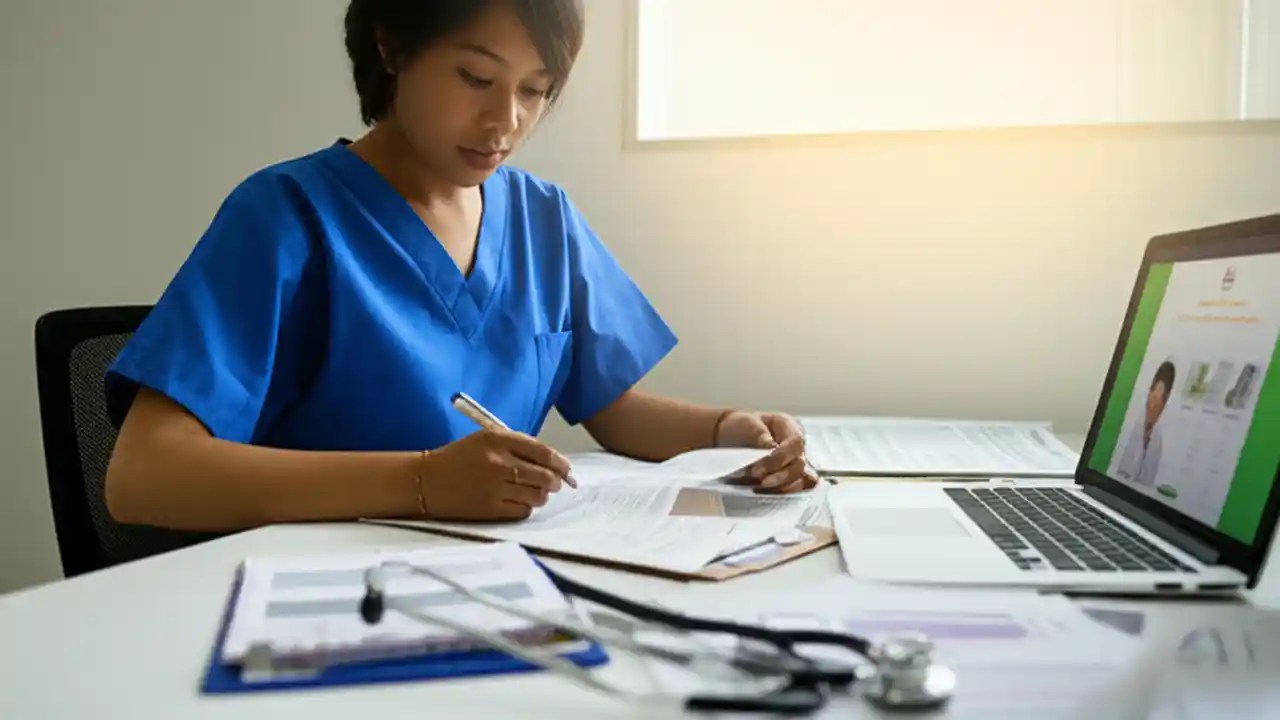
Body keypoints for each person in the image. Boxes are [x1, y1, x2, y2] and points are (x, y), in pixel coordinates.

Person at [102, 0, 818, 532]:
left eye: (534, 91)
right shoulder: (284, 215)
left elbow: (614, 411)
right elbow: (144, 476)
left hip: (505, 582)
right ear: (391, 47)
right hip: (327, 595)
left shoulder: (543, 218)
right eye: (477, 78)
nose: (505, 120)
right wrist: (421, 482)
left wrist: (733, 432)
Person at [1115, 361, 1176, 487]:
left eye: (1160, 395)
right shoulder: (1133, 425)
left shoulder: (1160, 439)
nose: (1153, 400)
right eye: (1152, 390)